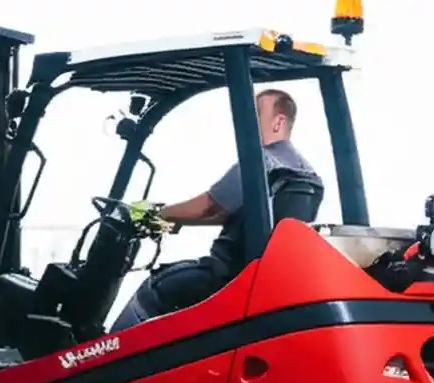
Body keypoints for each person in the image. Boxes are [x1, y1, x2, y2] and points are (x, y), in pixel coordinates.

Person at [109, 88, 322, 332]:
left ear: (278, 121)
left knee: (157, 287)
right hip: (256, 281)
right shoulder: (306, 175)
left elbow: (208, 205)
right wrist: (177, 221)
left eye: (256, 113)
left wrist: (155, 213)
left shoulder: (261, 162)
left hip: (225, 277)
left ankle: (105, 365)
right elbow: (235, 215)